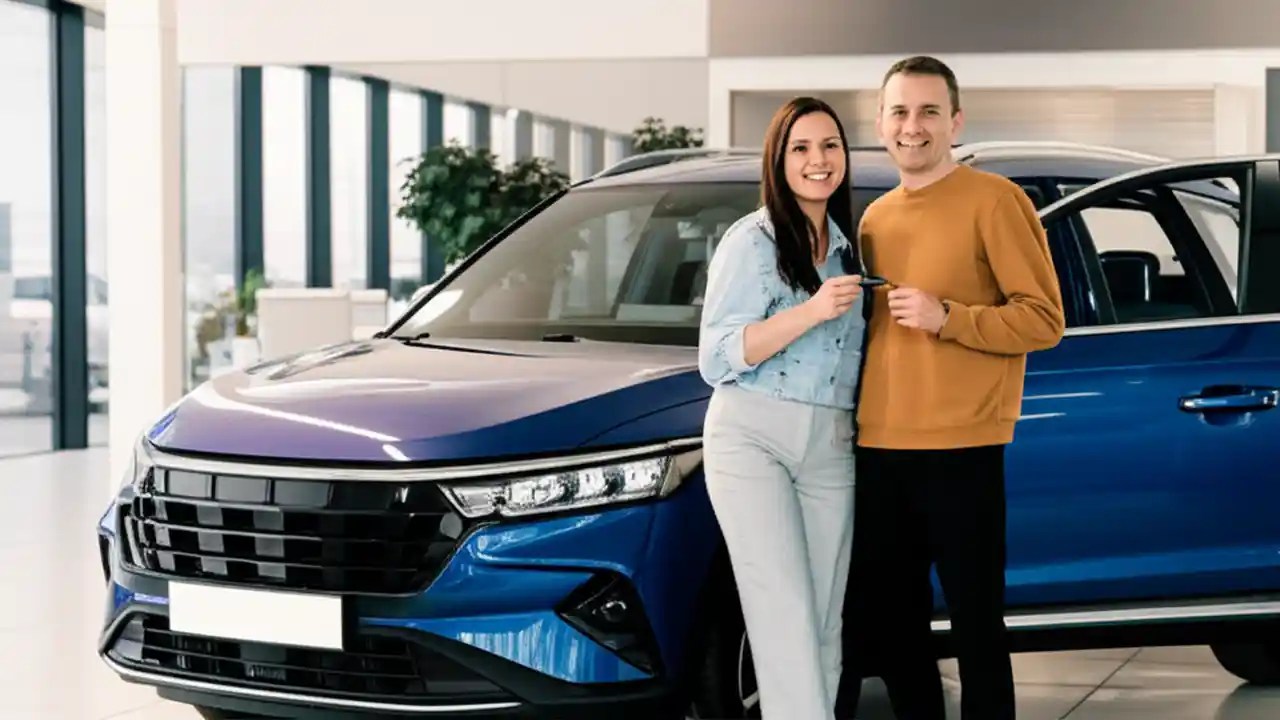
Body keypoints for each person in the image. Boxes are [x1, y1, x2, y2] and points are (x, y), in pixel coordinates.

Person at [842, 56, 1066, 720]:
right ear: (881, 124)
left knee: (975, 628)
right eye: (900, 112)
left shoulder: (997, 201)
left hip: (963, 447)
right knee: (896, 628)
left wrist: (950, 318)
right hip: (878, 448)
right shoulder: (874, 217)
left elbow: (1044, 319)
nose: (914, 126)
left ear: (955, 121)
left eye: (929, 112)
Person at [697, 96, 868, 720]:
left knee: (823, 621)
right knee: (785, 615)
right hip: (754, 438)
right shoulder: (752, 241)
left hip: (830, 442)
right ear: (778, 158)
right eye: (801, 148)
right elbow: (715, 358)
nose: (818, 160)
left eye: (830, 146)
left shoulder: (850, 249)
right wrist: (811, 311)